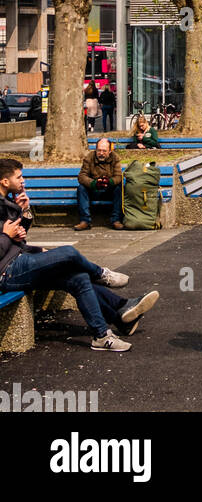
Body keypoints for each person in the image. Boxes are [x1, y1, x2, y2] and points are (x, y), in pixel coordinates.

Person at [0, 156, 158, 351]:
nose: (23, 181)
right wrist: (7, 235)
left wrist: (25, 214)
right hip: (8, 272)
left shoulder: (7, 201)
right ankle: (102, 275)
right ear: (5, 181)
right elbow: (7, 243)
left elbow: (18, 242)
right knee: (68, 253)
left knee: (79, 277)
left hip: (21, 261)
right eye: (19, 177)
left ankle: (103, 334)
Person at [76, 137, 124, 230]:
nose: (101, 153)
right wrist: (93, 183)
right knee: (81, 188)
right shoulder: (89, 157)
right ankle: (85, 221)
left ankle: (116, 220)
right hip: (93, 190)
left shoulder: (115, 158)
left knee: (119, 188)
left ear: (110, 151)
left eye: (104, 151)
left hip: (109, 190)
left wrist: (109, 182)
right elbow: (82, 176)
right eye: (99, 150)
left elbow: (118, 176)